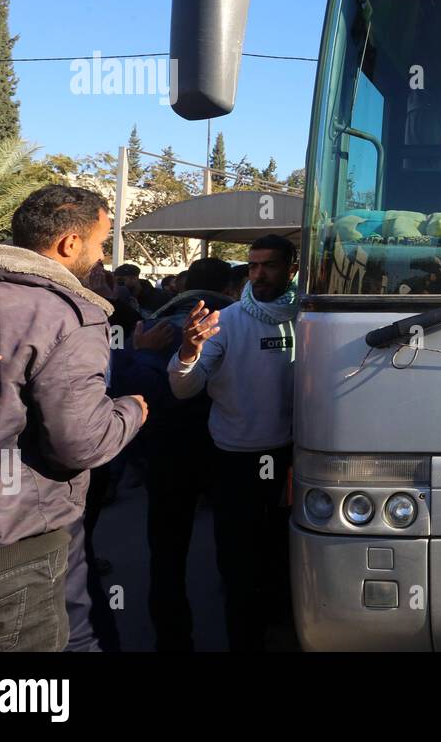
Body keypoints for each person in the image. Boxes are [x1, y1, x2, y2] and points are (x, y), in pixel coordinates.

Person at [0, 185, 147, 652]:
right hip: (3, 565)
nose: (102, 257)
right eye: (101, 243)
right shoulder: (68, 315)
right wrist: (132, 412)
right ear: (69, 244)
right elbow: (80, 444)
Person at [167, 235, 298, 651]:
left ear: (291, 269)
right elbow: (184, 388)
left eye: (270, 265)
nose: (259, 273)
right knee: (238, 561)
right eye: (253, 265)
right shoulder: (226, 321)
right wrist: (188, 352)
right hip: (234, 460)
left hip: (294, 458)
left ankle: (280, 621)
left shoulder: (310, 319)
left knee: (283, 549)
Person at [110, 257, 233, 650]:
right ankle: (241, 628)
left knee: (166, 551)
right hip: (223, 448)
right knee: (233, 546)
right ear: (229, 287)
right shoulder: (238, 322)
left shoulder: (152, 322)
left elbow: (129, 384)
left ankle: (172, 637)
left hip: (165, 450)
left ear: (185, 286)